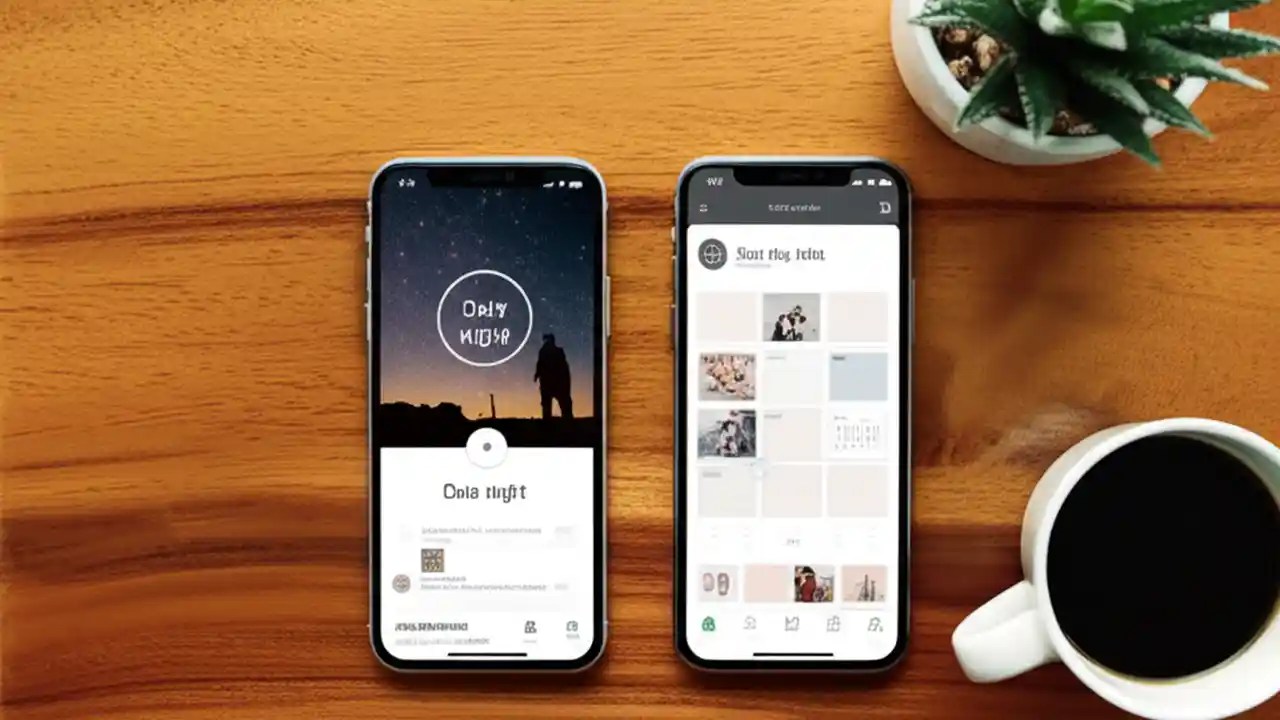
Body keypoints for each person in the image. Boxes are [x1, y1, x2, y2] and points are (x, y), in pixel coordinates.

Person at [533, 333, 573, 419]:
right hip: (551, 382)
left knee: (561, 403)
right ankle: (563, 420)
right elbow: (540, 364)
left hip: (556, 382)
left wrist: (537, 374)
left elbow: (540, 364)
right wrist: (537, 374)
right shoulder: (546, 351)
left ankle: (566, 420)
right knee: (550, 404)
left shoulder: (552, 352)